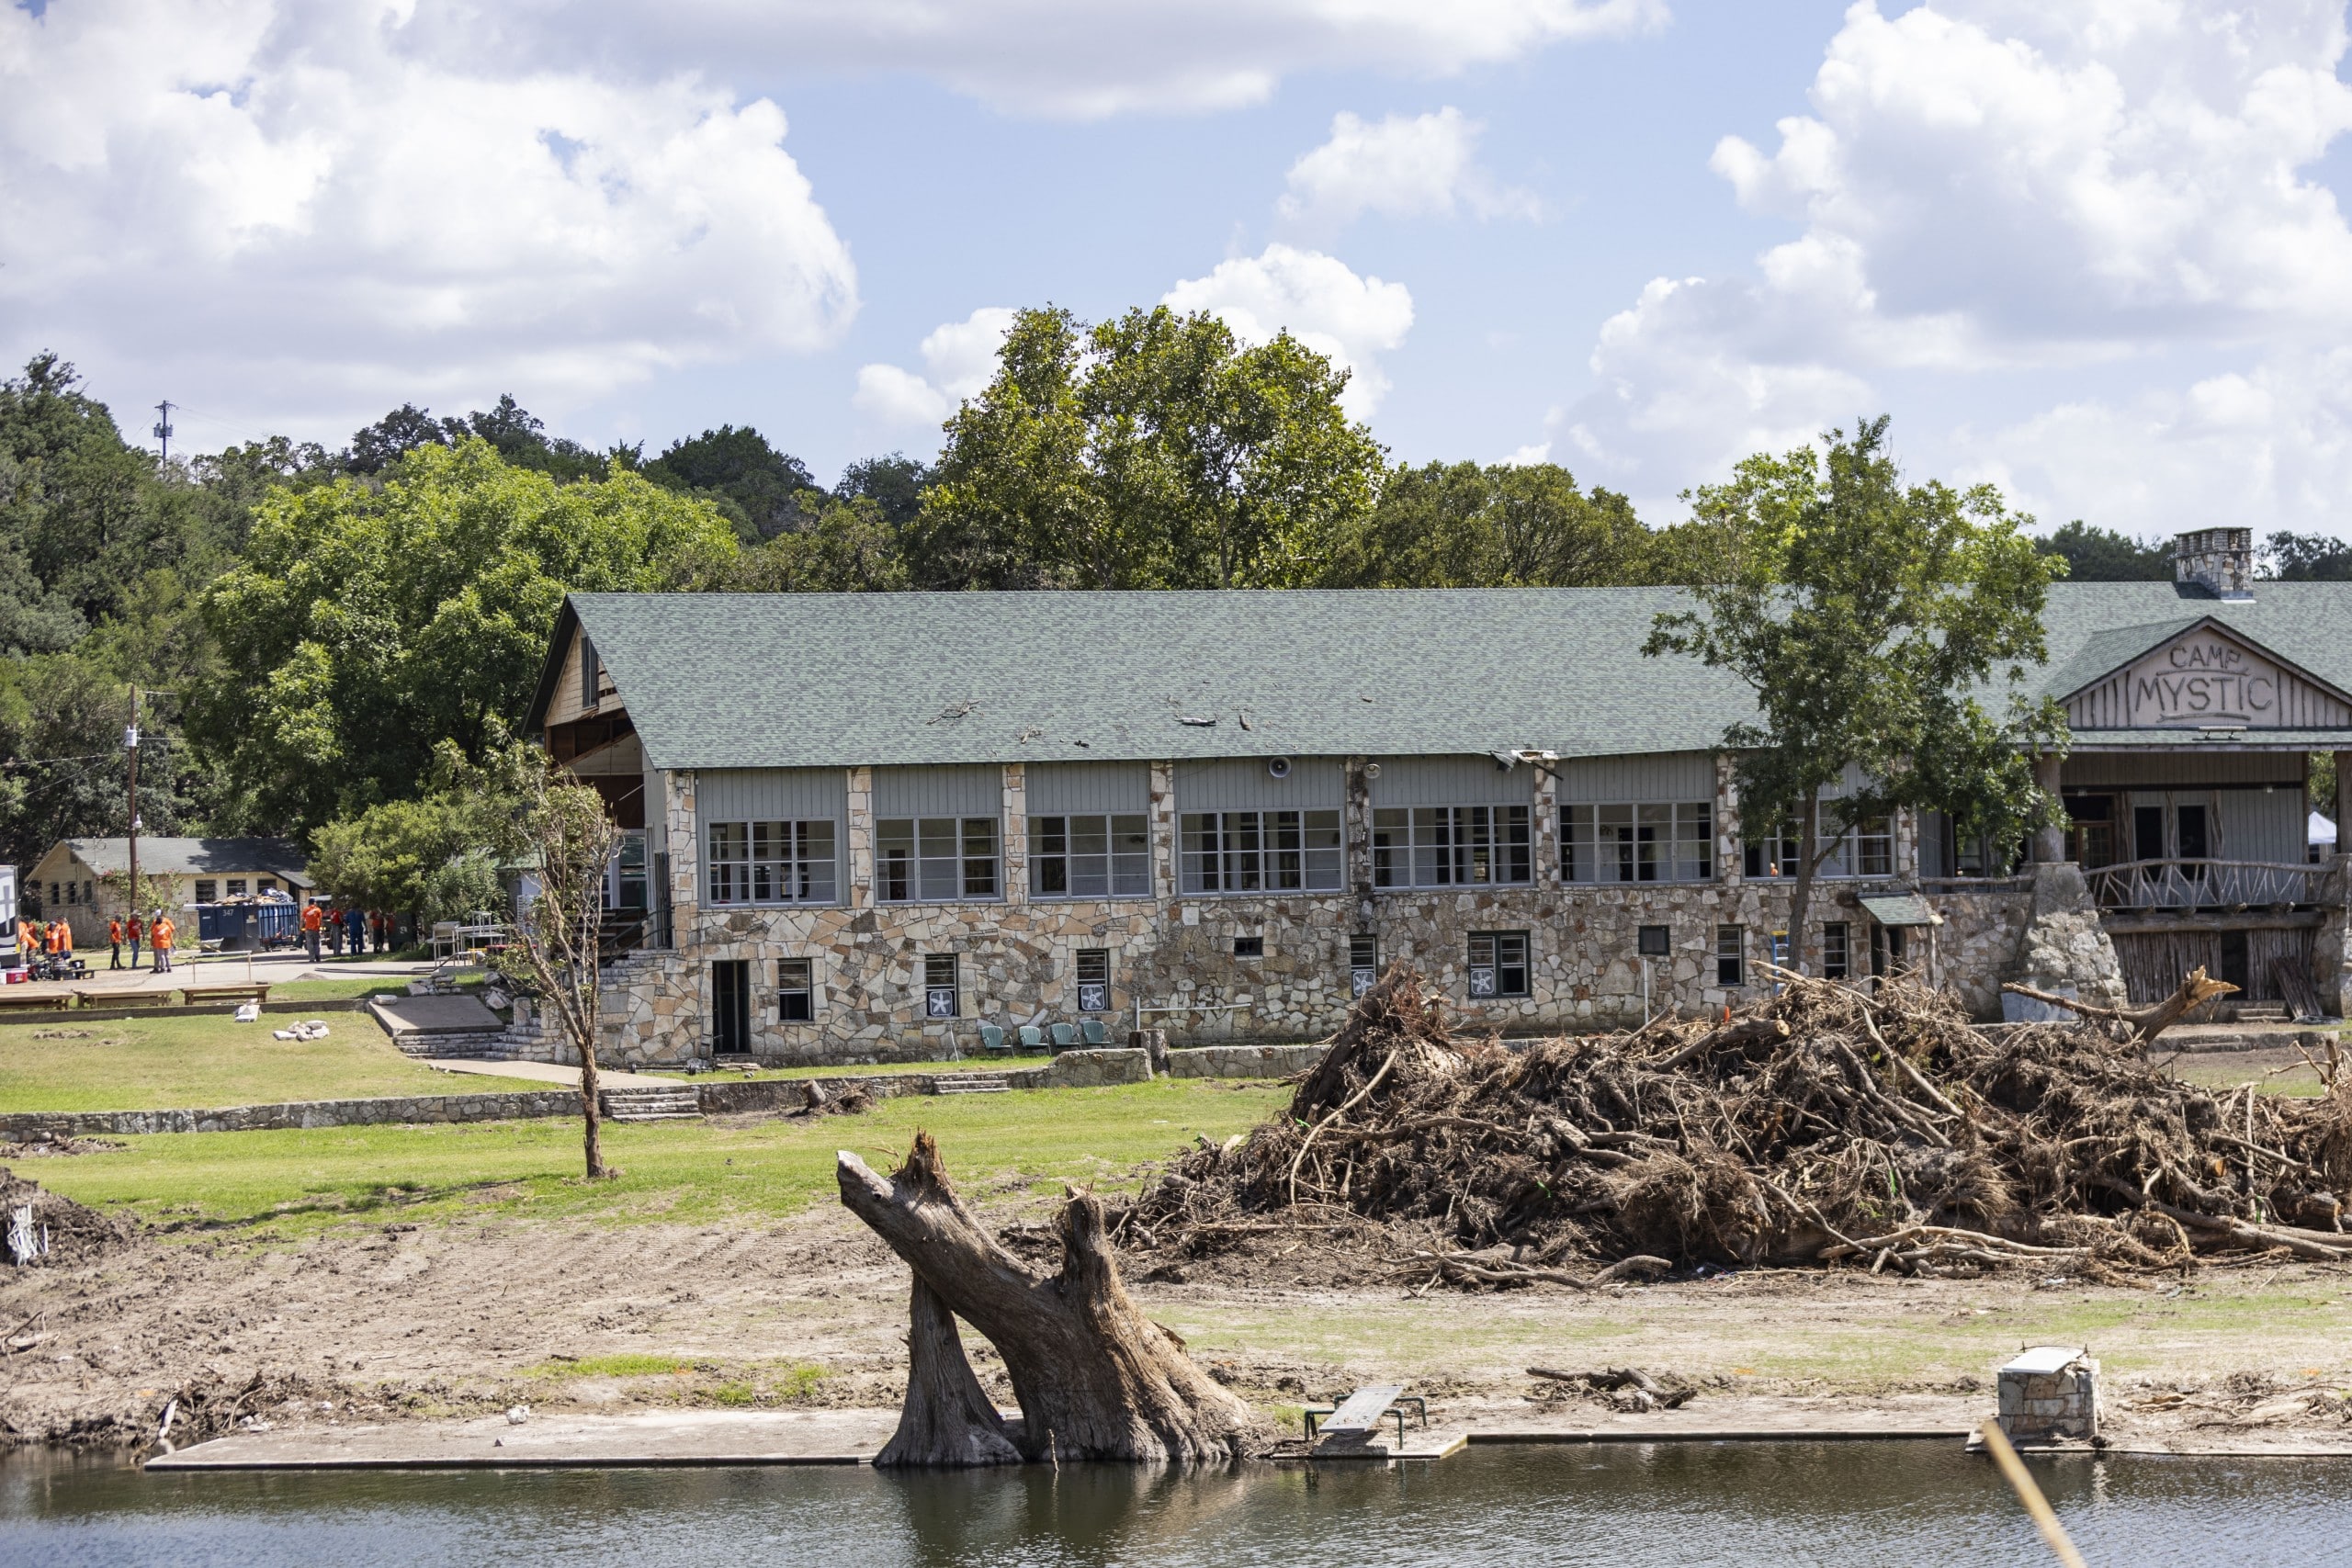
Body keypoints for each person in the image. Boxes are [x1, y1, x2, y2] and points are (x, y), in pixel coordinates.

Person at [151, 909, 174, 974]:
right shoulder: (167, 926)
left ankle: (162, 968)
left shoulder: (156, 925)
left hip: (158, 942)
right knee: (166, 956)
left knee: (161, 956)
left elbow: (153, 933)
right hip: (167, 942)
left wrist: (152, 940)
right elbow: (171, 930)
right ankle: (169, 968)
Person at [301, 899, 322, 963]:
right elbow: (321, 920)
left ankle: (312, 958)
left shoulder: (305, 910)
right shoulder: (318, 910)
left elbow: (302, 920)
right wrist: (321, 928)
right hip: (316, 929)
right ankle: (317, 957)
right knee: (316, 943)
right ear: (314, 903)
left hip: (308, 929)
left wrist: (300, 928)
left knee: (310, 944)